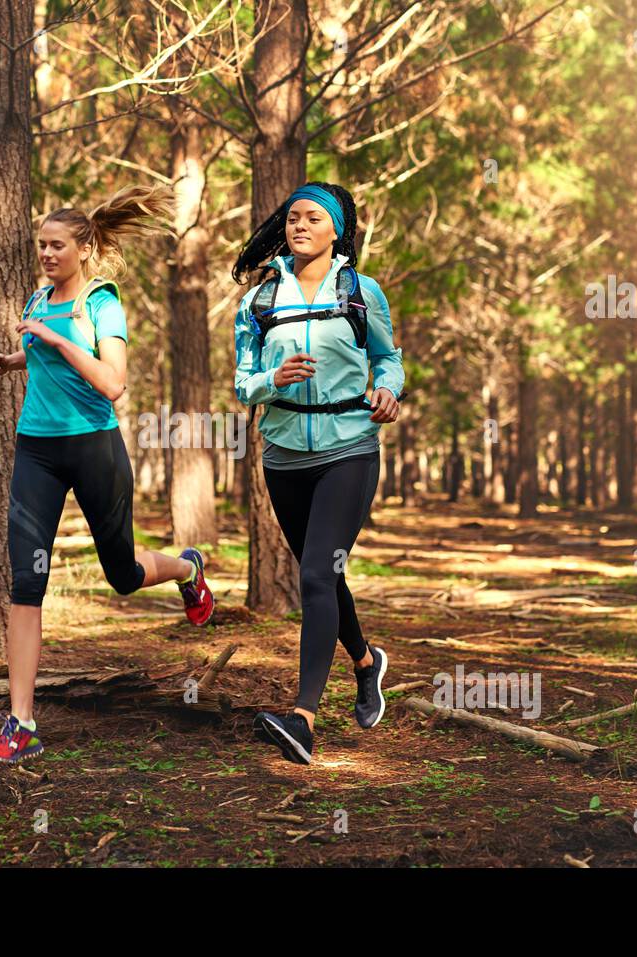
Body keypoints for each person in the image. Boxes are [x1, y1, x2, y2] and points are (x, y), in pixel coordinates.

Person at [0, 185, 215, 764]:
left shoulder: (101, 303)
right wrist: (15, 360)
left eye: (56, 245)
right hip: (36, 451)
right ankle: (22, 724)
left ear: (83, 249)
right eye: (40, 245)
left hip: (93, 450)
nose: (45, 254)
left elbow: (113, 382)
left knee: (121, 573)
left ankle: (188, 568)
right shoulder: (39, 299)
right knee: (25, 586)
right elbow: (48, 361)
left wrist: (57, 340)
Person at [232, 181, 405, 765]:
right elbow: (241, 379)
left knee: (313, 575)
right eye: (292, 218)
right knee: (323, 574)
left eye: (312, 218)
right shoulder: (259, 301)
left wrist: (386, 391)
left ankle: (302, 719)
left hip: (349, 448)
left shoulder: (361, 292)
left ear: (337, 230)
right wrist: (269, 383)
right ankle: (365, 662)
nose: (298, 226)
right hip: (283, 454)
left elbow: (389, 358)